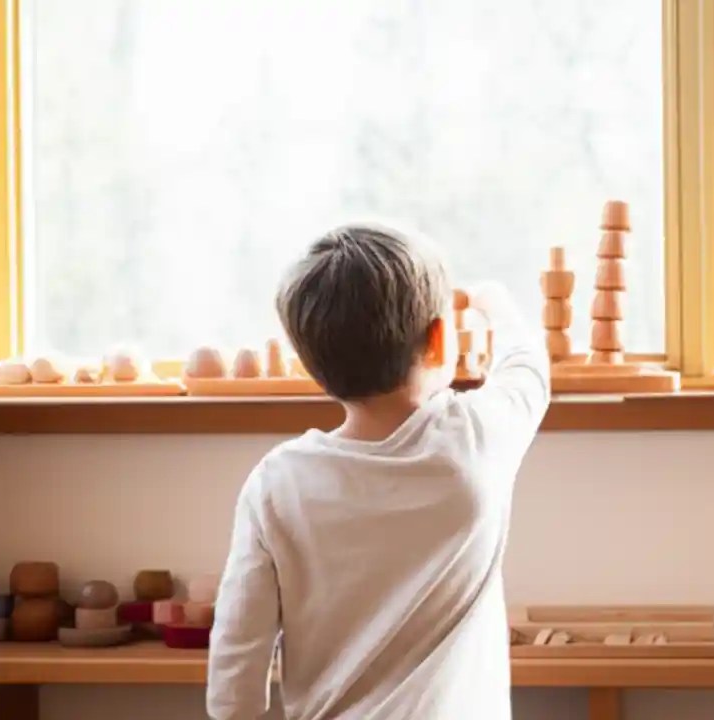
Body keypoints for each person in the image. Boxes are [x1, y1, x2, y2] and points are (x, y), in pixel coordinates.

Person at [206, 223, 550, 719]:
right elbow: (528, 370)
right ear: (437, 341)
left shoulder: (277, 484)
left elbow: (237, 659)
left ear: (309, 362)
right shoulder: (473, 442)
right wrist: (491, 301)